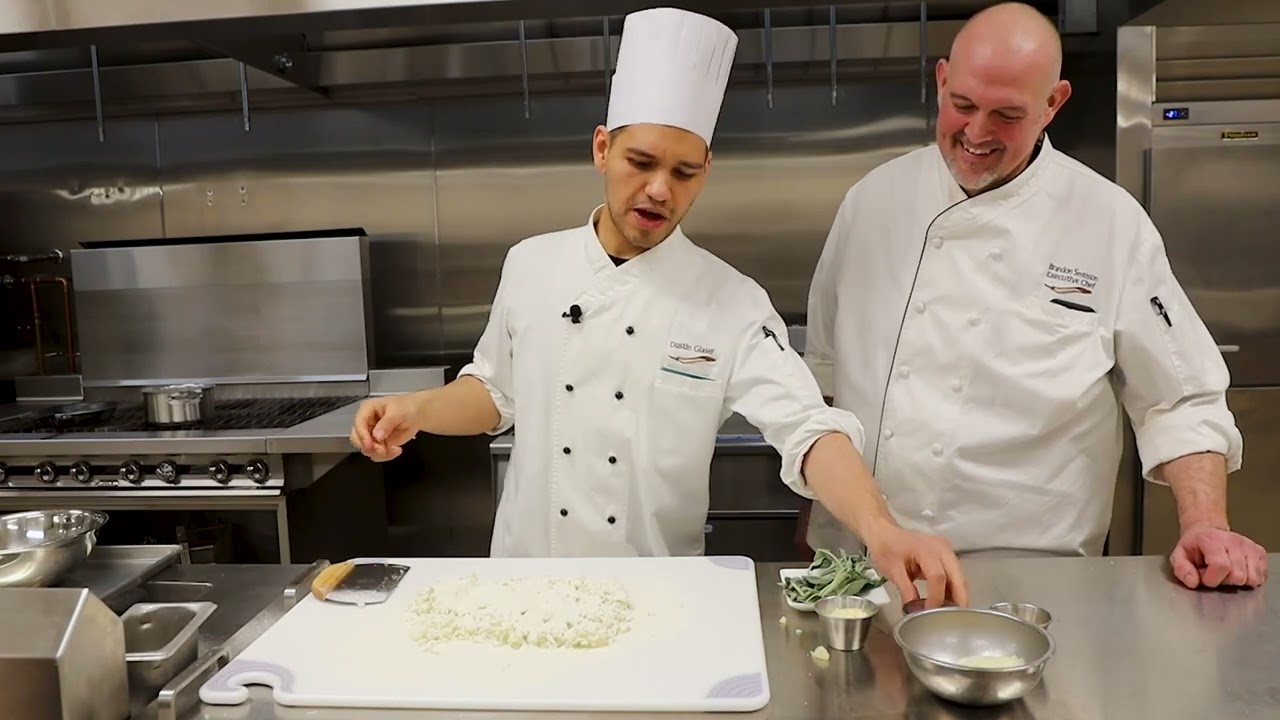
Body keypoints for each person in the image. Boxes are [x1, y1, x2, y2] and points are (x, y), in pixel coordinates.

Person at [350, 6, 969, 608]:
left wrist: (880, 528)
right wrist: (418, 408)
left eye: (684, 172)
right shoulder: (531, 264)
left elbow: (808, 428)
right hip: (525, 588)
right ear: (601, 150)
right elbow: (495, 392)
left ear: (706, 172)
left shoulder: (730, 300)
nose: (659, 190)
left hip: (657, 602)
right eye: (640, 162)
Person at [802, 1, 1267, 589]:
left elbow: (1180, 400)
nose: (975, 134)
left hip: (1028, 574)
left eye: (1007, 115)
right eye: (962, 105)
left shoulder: (1109, 222)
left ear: (1054, 103)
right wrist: (820, 516)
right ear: (941, 79)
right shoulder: (871, 202)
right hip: (862, 561)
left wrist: (1205, 522)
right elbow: (823, 379)